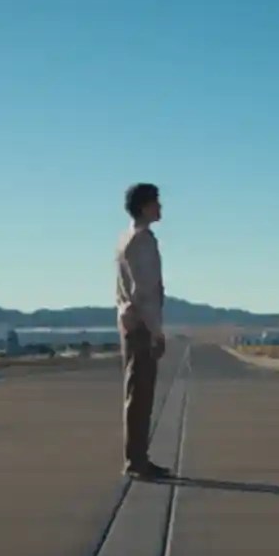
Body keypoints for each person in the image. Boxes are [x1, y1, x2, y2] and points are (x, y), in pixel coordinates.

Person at [116, 182, 173, 479]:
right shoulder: (143, 241)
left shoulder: (124, 239)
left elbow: (124, 292)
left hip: (130, 323)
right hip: (141, 326)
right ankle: (136, 460)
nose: (160, 207)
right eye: (156, 202)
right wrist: (156, 332)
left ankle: (136, 457)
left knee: (135, 393)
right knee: (141, 395)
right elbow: (146, 292)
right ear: (144, 206)